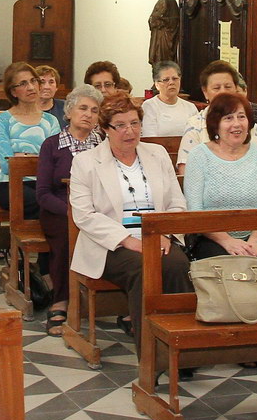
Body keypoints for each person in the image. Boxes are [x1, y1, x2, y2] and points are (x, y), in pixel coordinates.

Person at [69, 93, 189, 341]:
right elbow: (85, 216)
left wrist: (165, 234)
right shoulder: (85, 162)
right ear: (105, 129)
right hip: (110, 245)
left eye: (134, 123)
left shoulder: (156, 153)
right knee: (142, 268)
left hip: (157, 237)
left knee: (177, 266)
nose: (129, 131)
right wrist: (128, 240)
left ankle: (180, 346)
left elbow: (177, 202)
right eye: (120, 125)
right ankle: (151, 356)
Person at [36, 85, 103, 336]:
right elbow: (42, 193)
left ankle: (110, 299)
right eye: (83, 108)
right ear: (69, 111)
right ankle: (61, 299)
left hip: (99, 209)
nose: (88, 114)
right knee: (68, 238)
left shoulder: (103, 144)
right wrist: (73, 212)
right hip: (60, 210)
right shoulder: (52, 145)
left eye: (94, 110)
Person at [184, 92, 257, 260]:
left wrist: (254, 242)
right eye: (228, 118)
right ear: (216, 124)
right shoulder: (199, 156)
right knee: (226, 267)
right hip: (212, 238)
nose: (237, 124)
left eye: (241, 117)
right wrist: (227, 241)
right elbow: (195, 211)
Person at [0, 61, 61, 217]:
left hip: (45, 184)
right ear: (13, 92)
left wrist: (23, 158)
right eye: (23, 84)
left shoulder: (51, 121)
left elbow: (55, 160)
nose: (31, 87)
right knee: (48, 205)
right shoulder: (3, 120)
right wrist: (40, 159)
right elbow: (6, 164)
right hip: (13, 184)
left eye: (33, 81)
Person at [177, 60, 257, 158]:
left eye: (228, 87)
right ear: (205, 92)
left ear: (235, 88)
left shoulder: (247, 123)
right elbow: (187, 167)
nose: (223, 92)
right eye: (216, 88)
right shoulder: (195, 125)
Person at [141, 60, 193, 136]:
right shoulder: (149, 106)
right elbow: (150, 138)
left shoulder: (190, 107)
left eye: (175, 78)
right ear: (156, 84)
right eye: (166, 80)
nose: (171, 83)